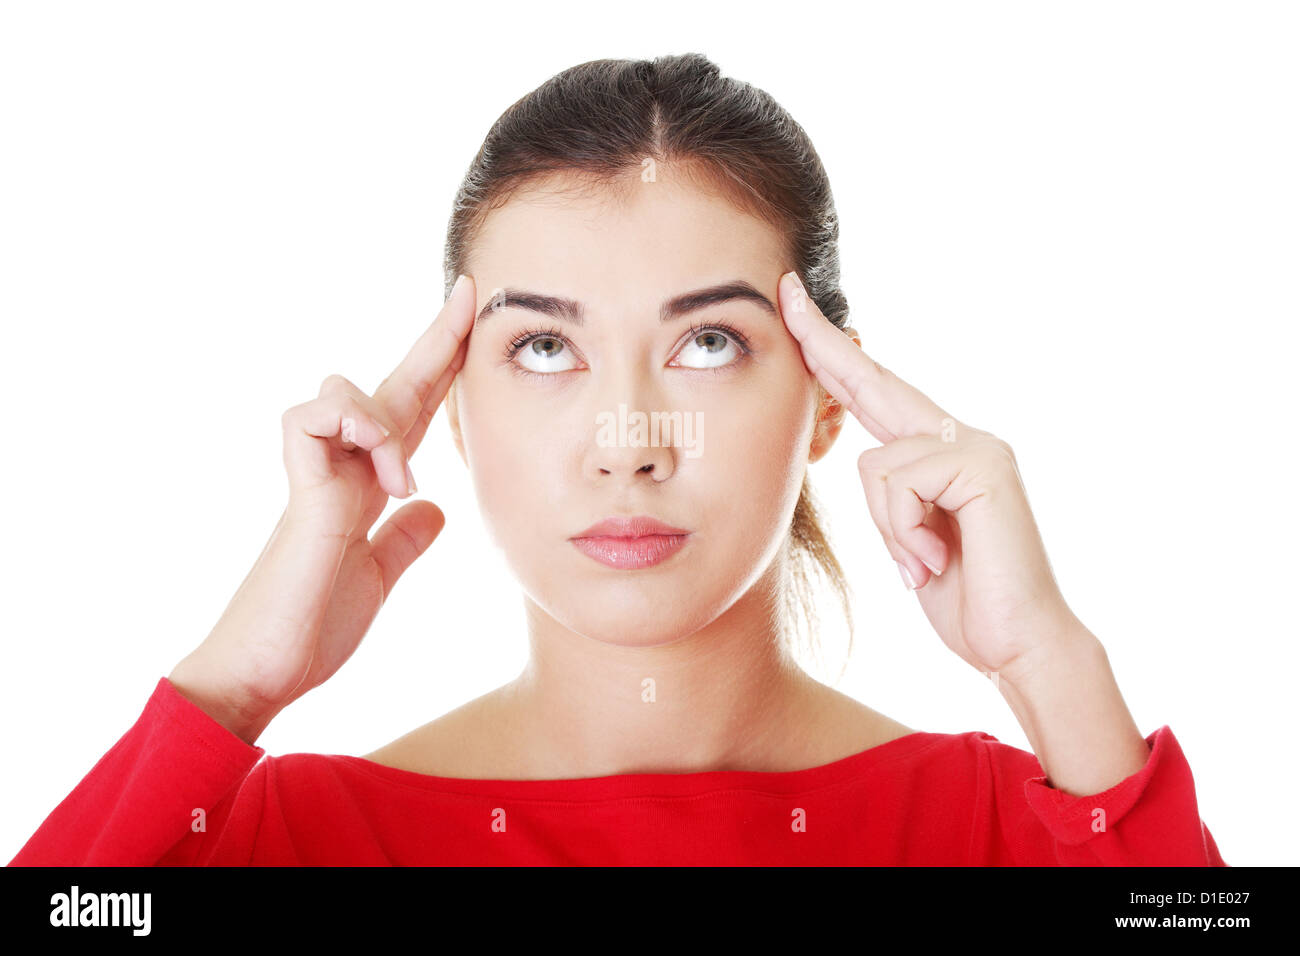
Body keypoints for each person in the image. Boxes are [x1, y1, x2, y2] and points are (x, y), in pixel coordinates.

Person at [9, 52, 1225, 866]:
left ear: (824, 397)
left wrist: (1052, 663)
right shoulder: (300, 836)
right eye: (542, 347)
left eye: (706, 340)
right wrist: (228, 691)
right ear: (455, 407)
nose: (629, 441)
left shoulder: (1006, 825)